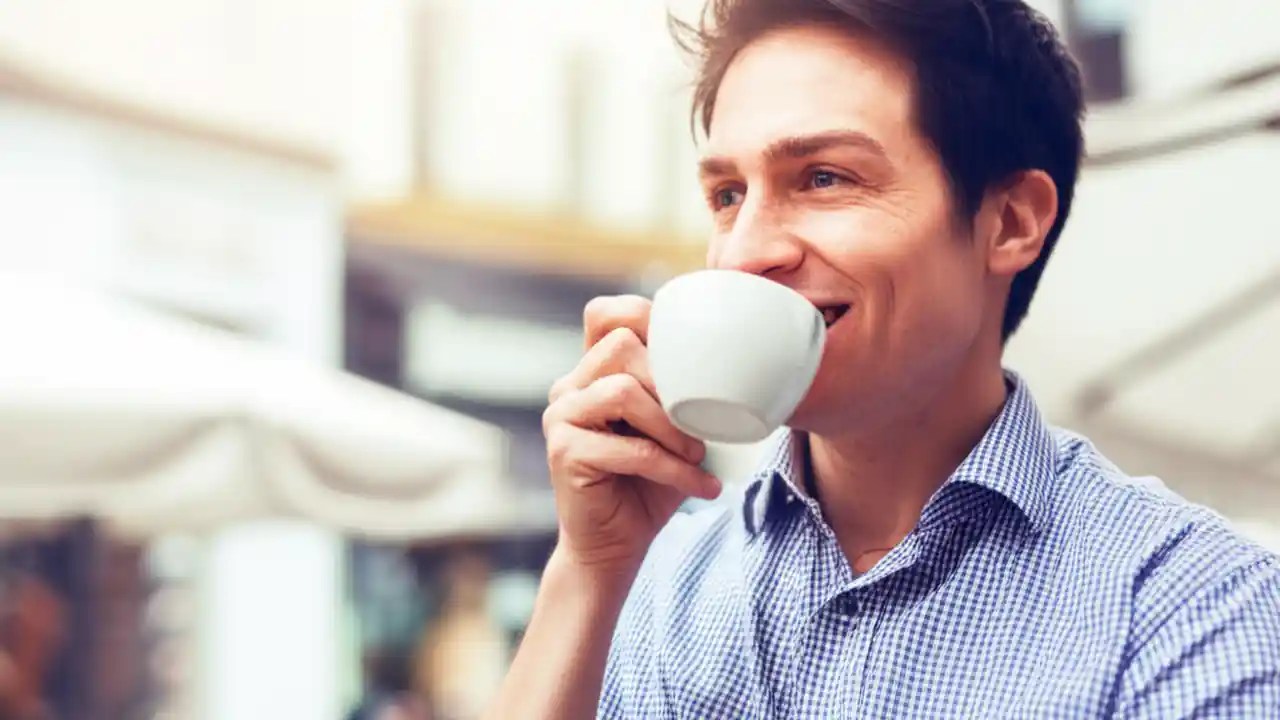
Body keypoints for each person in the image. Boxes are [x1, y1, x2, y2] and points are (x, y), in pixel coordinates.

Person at [488, 0, 1280, 717]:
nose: (744, 252)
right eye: (728, 195)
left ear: (1010, 223)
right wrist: (587, 572)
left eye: (824, 178)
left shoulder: (1197, 605)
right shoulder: (655, 588)